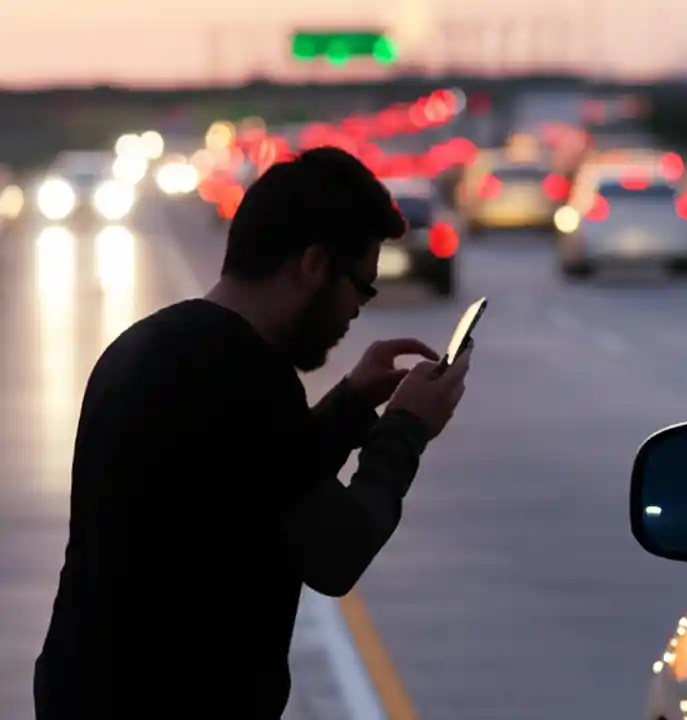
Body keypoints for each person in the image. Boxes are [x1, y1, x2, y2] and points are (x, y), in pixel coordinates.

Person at [33, 147, 471, 717]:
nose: (357, 313)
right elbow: (336, 553)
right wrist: (407, 429)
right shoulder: (241, 373)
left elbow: (256, 485)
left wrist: (353, 402)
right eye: (361, 289)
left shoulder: (149, 346)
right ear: (313, 265)